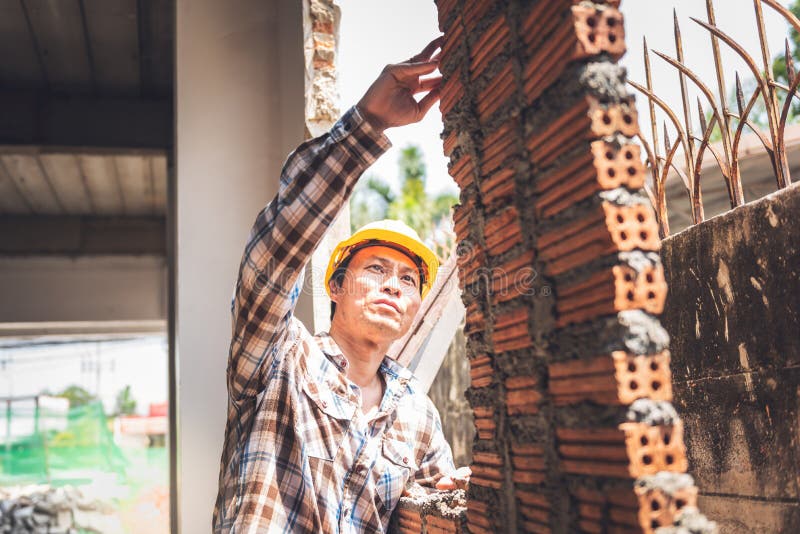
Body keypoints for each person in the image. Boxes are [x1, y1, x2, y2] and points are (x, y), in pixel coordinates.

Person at [213, 38, 470, 533]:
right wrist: (366, 126)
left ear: (417, 304)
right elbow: (274, 252)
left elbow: (433, 515)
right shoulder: (278, 361)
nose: (393, 286)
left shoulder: (418, 417)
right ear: (335, 286)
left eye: (408, 279)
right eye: (375, 269)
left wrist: (458, 495)